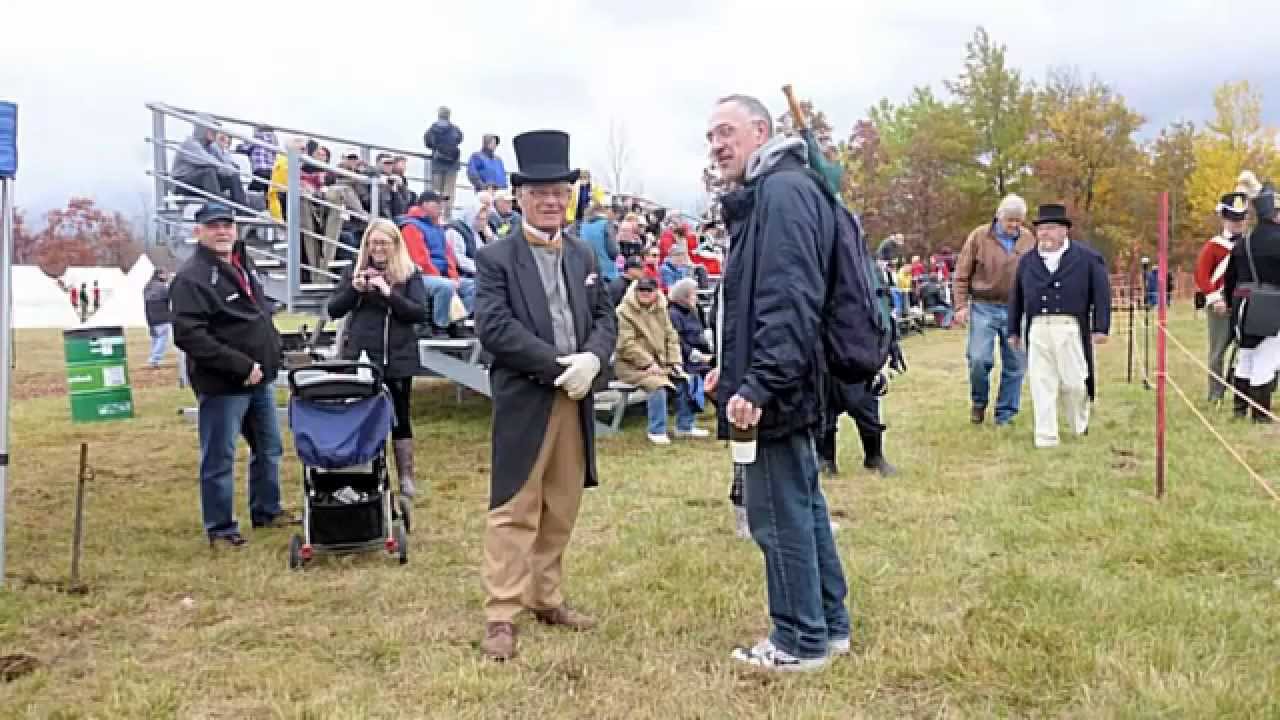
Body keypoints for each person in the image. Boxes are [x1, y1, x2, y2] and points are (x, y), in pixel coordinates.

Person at [707, 94, 848, 672]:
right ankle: (829, 627)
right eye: (711, 136)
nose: (716, 146)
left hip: (777, 387)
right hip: (779, 376)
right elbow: (753, 299)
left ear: (761, 131)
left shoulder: (782, 192)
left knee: (775, 513)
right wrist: (731, 366)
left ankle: (798, 640)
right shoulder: (776, 189)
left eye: (726, 132)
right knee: (803, 504)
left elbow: (789, 298)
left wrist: (759, 383)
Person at [474, 130, 617, 661]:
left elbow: (605, 318)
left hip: (575, 400)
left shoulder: (584, 254)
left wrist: (594, 359)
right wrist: (559, 366)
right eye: (540, 193)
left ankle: (546, 596)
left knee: (562, 502)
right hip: (527, 397)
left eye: (559, 191)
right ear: (520, 198)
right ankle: (501, 613)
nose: (551, 201)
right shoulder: (495, 257)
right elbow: (495, 328)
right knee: (515, 506)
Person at [170, 202, 294, 547]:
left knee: (269, 448)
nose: (222, 232)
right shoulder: (192, 277)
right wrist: (240, 366)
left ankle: (267, 510)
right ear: (198, 231)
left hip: (260, 379)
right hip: (223, 384)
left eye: (228, 225)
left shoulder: (241, 263)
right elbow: (190, 335)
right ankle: (221, 528)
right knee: (220, 457)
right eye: (214, 226)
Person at [327, 219, 430, 497]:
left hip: (398, 357)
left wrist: (388, 293)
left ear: (395, 244)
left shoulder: (410, 274)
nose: (378, 249)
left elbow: (418, 313)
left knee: (400, 417)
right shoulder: (354, 271)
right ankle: (365, 474)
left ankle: (406, 476)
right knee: (362, 417)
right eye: (373, 243)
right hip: (362, 358)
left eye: (383, 243)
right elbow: (334, 309)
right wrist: (355, 291)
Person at [1008, 204, 1112, 449]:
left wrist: (1101, 327)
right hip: (1038, 327)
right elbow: (1016, 297)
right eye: (1041, 229)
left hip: (1070, 326)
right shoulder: (1027, 261)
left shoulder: (1087, 258)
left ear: (1065, 231)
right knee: (1041, 382)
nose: (1045, 233)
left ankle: (1078, 425)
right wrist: (1013, 330)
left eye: (1051, 228)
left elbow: (1101, 295)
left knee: (1074, 382)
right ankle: (1046, 436)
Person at [954, 194, 1036, 426]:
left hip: (1016, 308)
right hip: (984, 306)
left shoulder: (1028, 240)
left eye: (1018, 221)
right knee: (979, 359)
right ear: (999, 217)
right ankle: (979, 402)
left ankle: (1006, 414)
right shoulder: (979, 237)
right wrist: (960, 306)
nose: (1014, 225)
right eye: (1010, 220)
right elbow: (961, 274)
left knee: (1016, 363)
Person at [615, 277, 700, 444]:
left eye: (649, 290)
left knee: (686, 379)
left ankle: (685, 426)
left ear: (656, 292)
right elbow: (626, 345)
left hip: (660, 364)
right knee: (658, 385)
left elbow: (672, 337)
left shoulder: (662, 309)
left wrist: (675, 362)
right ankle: (657, 430)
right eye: (642, 290)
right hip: (630, 366)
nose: (645, 293)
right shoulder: (623, 312)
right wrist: (648, 363)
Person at [1224, 177, 1280, 422]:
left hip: (1241, 304)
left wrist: (1230, 304)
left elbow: (1230, 279)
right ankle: (1260, 414)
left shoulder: (1243, 241)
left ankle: (1239, 410)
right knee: (1266, 357)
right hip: (1270, 306)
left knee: (1245, 356)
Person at [1194, 191, 1249, 405]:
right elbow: (1201, 275)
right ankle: (1215, 394)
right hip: (1220, 306)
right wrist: (1215, 298)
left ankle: (1242, 394)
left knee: (1246, 351)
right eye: (1233, 218)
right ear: (1224, 218)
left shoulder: (1249, 244)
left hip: (1243, 303)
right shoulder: (1214, 245)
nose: (1238, 223)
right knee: (1217, 353)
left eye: (1241, 218)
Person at [397, 192, 475, 336]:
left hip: (441, 275)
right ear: (425, 205)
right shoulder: (410, 227)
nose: (441, 208)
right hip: (419, 276)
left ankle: (456, 322)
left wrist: (454, 277)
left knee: (475, 286)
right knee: (445, 286)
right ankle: (440, 326)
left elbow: (449, 256)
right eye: (437, 204)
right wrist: (446, 279)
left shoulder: (438, 228)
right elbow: (420, 260)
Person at [171, 114, 248, 209]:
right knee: (209, 171)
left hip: (202, 184)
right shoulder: (190, 144)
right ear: (202, 128)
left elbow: (231, 167)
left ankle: (243, 211)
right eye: (211, 129)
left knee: (232, 177)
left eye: (215, 130)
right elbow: (210, 162)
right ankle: (217, 209)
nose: (214, 132)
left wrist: (224, 149)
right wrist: (228, 169)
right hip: (182, 185)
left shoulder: (212, 146)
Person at [424, 107, 464, 217]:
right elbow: (460, 139)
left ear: (439, 115)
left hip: (437, 163)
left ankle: (435, 215)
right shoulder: (455, 129)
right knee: (449, 192)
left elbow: (428, 143)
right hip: (452, 164)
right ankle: (446, 216)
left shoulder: (433, 129)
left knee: (436, 191)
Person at [235, 125, 278, 193]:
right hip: (272, 172)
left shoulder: (257, 137)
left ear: (258, 130)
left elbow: (244, 148)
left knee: (251, 193)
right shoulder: (274, 141)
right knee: (267, 193)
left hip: (260, 171)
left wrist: (239, 146)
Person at [144, 270, 173, 368]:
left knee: (155, 339)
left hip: (151, 317)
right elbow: (169, 299)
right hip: (162, 317)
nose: (166, 276)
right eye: (164, 274)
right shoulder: (162, 287)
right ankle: (154, 359)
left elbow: (146, 304)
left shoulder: (147, 287)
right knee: (162, 339)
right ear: (159, 275)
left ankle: (153, 359)